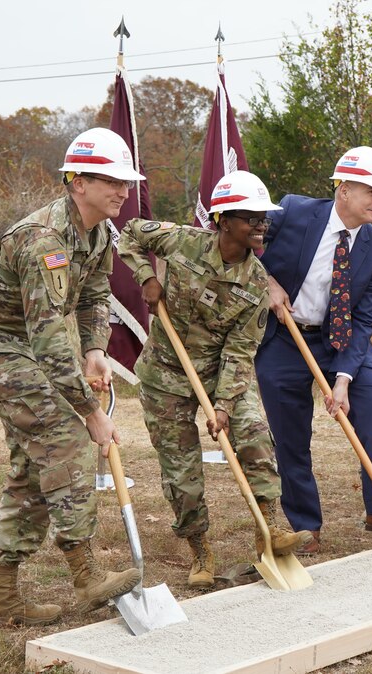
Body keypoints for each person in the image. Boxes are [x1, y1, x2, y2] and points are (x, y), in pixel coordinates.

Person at [0, 128, 144, 626]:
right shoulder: (44, 240)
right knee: (64, 437)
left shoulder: (99, 231)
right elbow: (46, 341)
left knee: (33, 461)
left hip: (25, 343)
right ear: (77, 182)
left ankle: (2, 598)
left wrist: (97, 349)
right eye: (110, 181)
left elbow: (95, 293)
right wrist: (89, 413)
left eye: (126, 181)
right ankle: (86, 576)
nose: (122, 191)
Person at [118, 170, 312, 588]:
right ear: (225, 221)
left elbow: (240, 351)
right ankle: (198, 548)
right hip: (166, 375)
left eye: (265, 219)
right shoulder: (182, 241)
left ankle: (269, 531)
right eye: (252, 218)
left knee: (256, 436)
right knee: (181, 468)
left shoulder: (258, 283)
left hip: (220, 374)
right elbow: (129, 233)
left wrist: (223, 405)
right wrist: (146, 276)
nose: (262, 226)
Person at [255, 146, 372, 556]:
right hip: (284, 338)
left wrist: (345, 379)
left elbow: (365, 320)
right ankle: (305, 525)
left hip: (340, 340)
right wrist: (266, 281)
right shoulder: (294, 212)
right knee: (291, 431)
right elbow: (237, 234)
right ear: (344, 189)